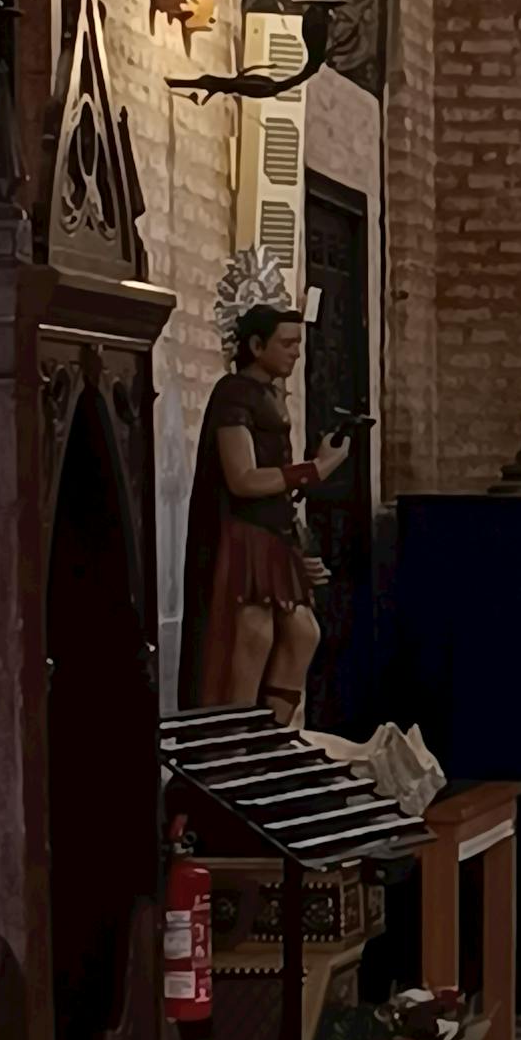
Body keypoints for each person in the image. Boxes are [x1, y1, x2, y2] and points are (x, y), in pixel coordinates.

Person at [185, 267, 355, 719]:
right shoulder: (235, 392)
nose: (296, 354)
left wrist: (299, 545)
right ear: (256, 346)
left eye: (298, 344)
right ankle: (236, 747)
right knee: (252, 636)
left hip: (272, 533)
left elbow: (277, 485)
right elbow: (243, 477)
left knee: (302, 631)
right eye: (287, 344)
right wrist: (314, 470)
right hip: (245, 536)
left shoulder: (268, 394)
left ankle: (277, 740)